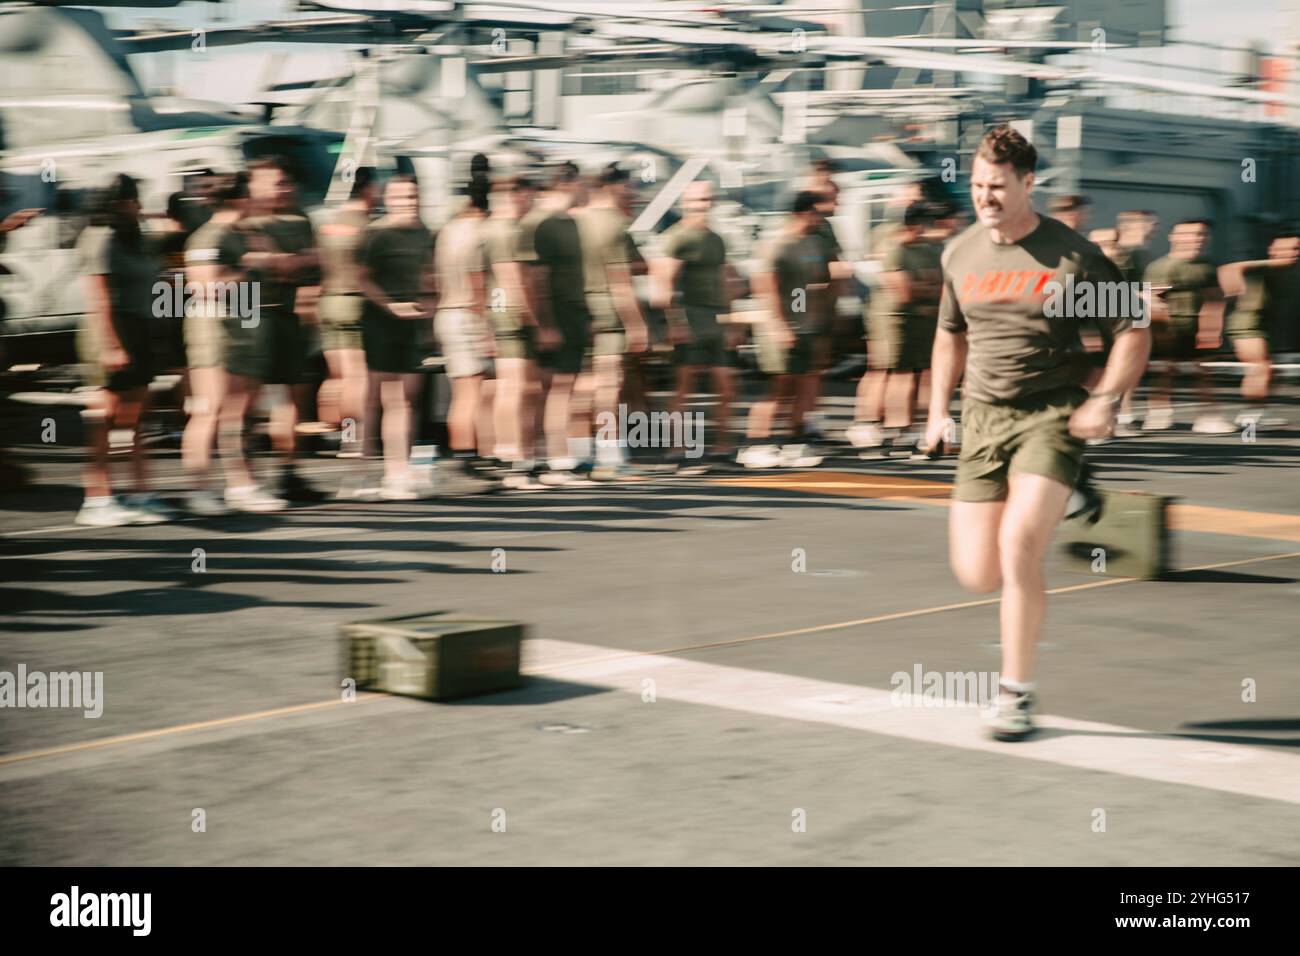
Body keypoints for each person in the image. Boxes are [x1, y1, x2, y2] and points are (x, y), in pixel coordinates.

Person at [923, 125, 1150, 741]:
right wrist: (936, 409)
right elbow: (951, 333)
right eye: (976, 186)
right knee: (977, 573)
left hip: (1052, 413)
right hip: (983, 418)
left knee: (1018, 545)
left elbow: (1133, 329)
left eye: (997, 186)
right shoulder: (961, 253)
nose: (985, 197)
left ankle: (1014, 694)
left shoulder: (1071, 256)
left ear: (1028, 183)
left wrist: (1105, 400)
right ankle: (1078, 495)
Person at [216, 156, 324, 512]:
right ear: (253, 185)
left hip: (286, 316)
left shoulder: (299, 219)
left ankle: (288, 472)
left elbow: (315, 260)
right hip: (249, 315)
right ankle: (242, 479)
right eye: (273, 182)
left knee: (289, 399)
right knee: (243, 402)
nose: (283, 188)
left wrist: (292, 263)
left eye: (285, 182)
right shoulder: (239, 222)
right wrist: (282, 263)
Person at [75, 174, 173, 526]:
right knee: (105, 419)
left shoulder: (134, 238)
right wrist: (111, 345)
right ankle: (96, 500)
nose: (139, 207)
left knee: (136, 420)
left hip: (138, 330)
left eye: (137, 200)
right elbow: (98, 297)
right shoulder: (99, 238)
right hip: (110, 331)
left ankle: (140, 493)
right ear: (116, 203)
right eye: (132, 201)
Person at [357, 175, 437, 499]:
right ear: (387, 199)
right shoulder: (376, 234)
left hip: (413, 323)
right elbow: (362, 279)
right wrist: (391, 306)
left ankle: (400, 471)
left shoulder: (425, 233)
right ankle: (368, 471)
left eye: (413, 195)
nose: (409, 202)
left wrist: (431, 306)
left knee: (408, 398)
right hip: (381, 323)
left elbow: (430, 274)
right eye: (402, 196)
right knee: (381, 398)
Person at [738, 191, 831, 469]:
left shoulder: (812, 244)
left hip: (806, 326)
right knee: (779, 390)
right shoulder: (776, 245)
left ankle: (793, 443)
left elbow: (811, 284)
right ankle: (755, 446)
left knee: (803, 387)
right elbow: (765, 286)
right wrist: (778, 324)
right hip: (777, 329)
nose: (820, 218)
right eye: (816, 213)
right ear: (802, 213)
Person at [653, 179, 737, 466]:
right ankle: (678, 448)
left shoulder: (716, 239)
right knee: (684, 388)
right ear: (685, 203)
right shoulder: (679, 237)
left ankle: (723, 448)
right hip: (689, 318)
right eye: (697, 200)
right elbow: (665, 285)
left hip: (714, 320)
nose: (703, 205)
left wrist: (732, 323)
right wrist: (675, 324)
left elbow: (725, 282)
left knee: (726, 386)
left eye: (707, 199)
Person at [518, 161, 591, 485]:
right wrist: (544, 324)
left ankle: (545, 459)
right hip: (556, 316)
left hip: (573, 314)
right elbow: (534, 280)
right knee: (554, 390)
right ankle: (551, 461)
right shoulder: (543, 224)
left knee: (561, 390)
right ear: (568, 183)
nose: (586, 189)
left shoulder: (571, 224)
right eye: (582, 183)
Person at [180, 172, 248, 515]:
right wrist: (247, 270)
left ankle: (233, 486)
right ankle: (198, 490)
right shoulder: (210, 236)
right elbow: (203, 287)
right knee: (208, 410)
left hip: (233, 329)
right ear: (240, 200)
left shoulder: (236, 234)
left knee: (228, 411)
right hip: (210, 329)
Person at [576, 163, 649, 479]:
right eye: (627, 186)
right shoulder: (617, 224)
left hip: (576, 311)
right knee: (608, 386)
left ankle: (577, 452)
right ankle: (610, 455)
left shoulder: (574, 219)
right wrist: (636, 324)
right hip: (607, 312)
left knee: (579, 385)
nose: (631, 192)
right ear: (613, 186)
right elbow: (621, 281)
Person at [853, 200, 943, 453]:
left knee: (918, 373)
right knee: (898, 373)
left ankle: (910, 426)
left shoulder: (926, 249)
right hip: (895, 319)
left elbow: (939, 283)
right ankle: (896, 426)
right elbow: (905, 291)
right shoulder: (896, 249)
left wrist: (924, 287)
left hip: (919, 319)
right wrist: (926, 287)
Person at [484, 173, 551, 484]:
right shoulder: (514, 231)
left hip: (500, 312)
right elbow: (517, 279)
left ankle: (508, 454)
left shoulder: (491, 227)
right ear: (518, 196)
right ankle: (520, 459)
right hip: (515, 315)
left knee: (508, 388)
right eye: (529, 197)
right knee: (522, 390)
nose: (532, 203)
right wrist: (538, 323)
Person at [1142, 220, 1233, 433]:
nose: (1197, 239)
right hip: (1167, 329)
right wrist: (1159, 332)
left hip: (1198, 328)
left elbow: (1214, 299)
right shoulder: (1158, 267)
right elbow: (1152, 301)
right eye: (1190, 234)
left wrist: (1211, 330)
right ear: (1173, 237)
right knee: (1163, 370)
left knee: (1204, 372)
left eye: (1201, 234)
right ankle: (1158, 415)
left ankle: (1208, 418)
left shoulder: (1208, 267)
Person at [317, 166, 377, 459]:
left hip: (328, 302)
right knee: (357, 378)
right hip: (354, 302)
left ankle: (334, 431)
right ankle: (352, 439)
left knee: (337, 376)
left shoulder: (329, 224)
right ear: (368, 190)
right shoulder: (366, 226)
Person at [1221, 227, 1300, 426]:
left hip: (1263, 325)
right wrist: (1234, 290)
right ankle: (1252, 415)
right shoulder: (1266, 265)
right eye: (1285, 249)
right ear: (1272, 250)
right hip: (1246, 324)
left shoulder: (1290, 270)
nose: (1292, 253)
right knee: (1260, 367)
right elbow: (1229, 269)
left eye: (1296, 249)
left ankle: (1259, 411)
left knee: (1271, 371)